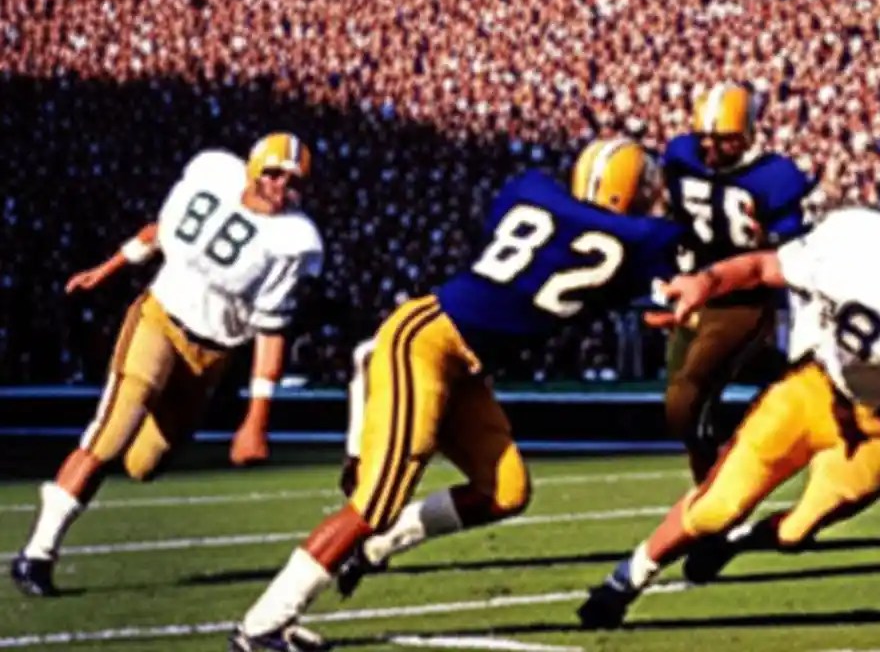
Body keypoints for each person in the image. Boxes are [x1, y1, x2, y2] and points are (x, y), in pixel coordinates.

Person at [229, 138, 683, 652]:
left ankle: (376, 545)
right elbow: (660, 292)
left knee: (505, 490)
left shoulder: (530, 188)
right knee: (374, 500)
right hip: (426, 343)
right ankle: (261, 626)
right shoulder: (645, 237)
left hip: (457, 355)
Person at [577, 202, 880, 629]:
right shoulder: (856, 245)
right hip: (817, 391)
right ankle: (629, 576)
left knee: (796, 531)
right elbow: (762, 268)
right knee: (716, 507)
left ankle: (742, 541)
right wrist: (706, 283)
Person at [10, 133, 323, 597]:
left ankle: (57, 518)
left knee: (144, 462)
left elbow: (271, 329)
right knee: (112, 432)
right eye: (274, 173)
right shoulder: (213, 172)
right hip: (160, 317)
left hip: (212, 353)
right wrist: (108, 268)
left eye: (293, 181)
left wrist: (257, 419)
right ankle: (38, 553)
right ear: (253, 167)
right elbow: (161, 230)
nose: (281, 186)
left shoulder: (296, 240)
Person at [659, 81, 815, 481]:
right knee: (679, 405)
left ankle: (724, 485)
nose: (710, 150)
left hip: (742, 298)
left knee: (688, 396)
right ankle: (712, 484)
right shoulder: (679, 154)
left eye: (725, 142)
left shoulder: (775, 176)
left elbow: (792, 248)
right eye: (704, 140)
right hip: (695, 290)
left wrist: (769, 240)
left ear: (748, 135)